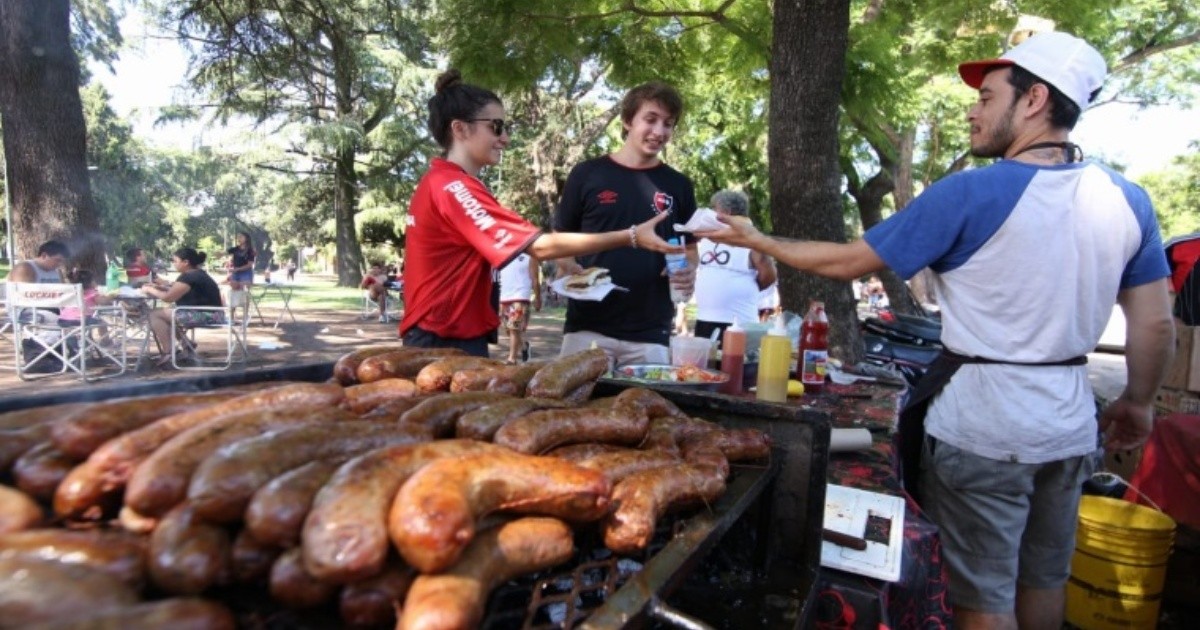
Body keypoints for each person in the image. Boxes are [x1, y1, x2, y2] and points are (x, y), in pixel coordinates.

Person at [696, 32, 1174, 629]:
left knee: (983, 598)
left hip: (986, 431)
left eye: (987, 95)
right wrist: (1139, 403)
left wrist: (759, 239)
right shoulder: (1129, 200)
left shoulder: (972, 190)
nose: (972, 109)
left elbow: (848, 262)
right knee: (1044, 581)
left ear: (1034, 101)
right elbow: (1154, 321)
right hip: (1071, 428)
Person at [398, 70, 682, 358]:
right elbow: (539, 247)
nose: (505, 138)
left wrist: (568, 261)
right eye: (496, 127)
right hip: (441, 338)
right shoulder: (453, 187)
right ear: (460, 129)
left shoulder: (448, 183)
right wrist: (631, 236)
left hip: (450, 333)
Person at [553, 81, 698, 366]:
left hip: (651, 333)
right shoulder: (587, 174)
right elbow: (561, 239)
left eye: (668, 124)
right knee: (571, 410)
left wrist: (688, 270)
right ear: (628, 120)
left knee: (646, 410)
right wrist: (566, 264)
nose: (659, 132)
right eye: (651, 119)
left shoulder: (679, 185)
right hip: (587, 328)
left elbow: (690, 251)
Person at [693, 190, 777, 345]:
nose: (711, 212)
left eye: (714, 208)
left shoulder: (751, 238)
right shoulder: (707, 236)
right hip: (704, 318)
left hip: (738, 321)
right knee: (704, 367)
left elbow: (769, 275)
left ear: (726, 212)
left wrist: (743, 287)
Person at [140, 247, 225, 367]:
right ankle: (186, 343)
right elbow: (182, 290)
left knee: (153, 314)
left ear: (186, 262)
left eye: (175, 261)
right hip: (215, 315)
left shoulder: (188, 277)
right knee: (166, 317)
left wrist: (149, 289)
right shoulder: (197, 274)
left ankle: (169, 351)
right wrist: (162, 287)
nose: (173, 264)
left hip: (205, 316)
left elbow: (168, 298)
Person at [497, 252, 541, 364]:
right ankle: (524, 347)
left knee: (514, 328)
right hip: (504, 297)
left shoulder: (531, 255)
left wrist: (538, 298)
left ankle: (512, 359)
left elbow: (535, 279)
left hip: (521, 296)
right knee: (508, 329)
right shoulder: (504, 252)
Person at [58, 268, 114, 345]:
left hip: (63, 321)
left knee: (77, 328)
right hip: (81, 320)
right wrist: (112, 295)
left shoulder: (70, 293)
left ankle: (73, 345)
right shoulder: (91, 293)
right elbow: (103, 302)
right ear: (90, 282)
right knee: (102, 323)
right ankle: (105, 341)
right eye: (94, 280)